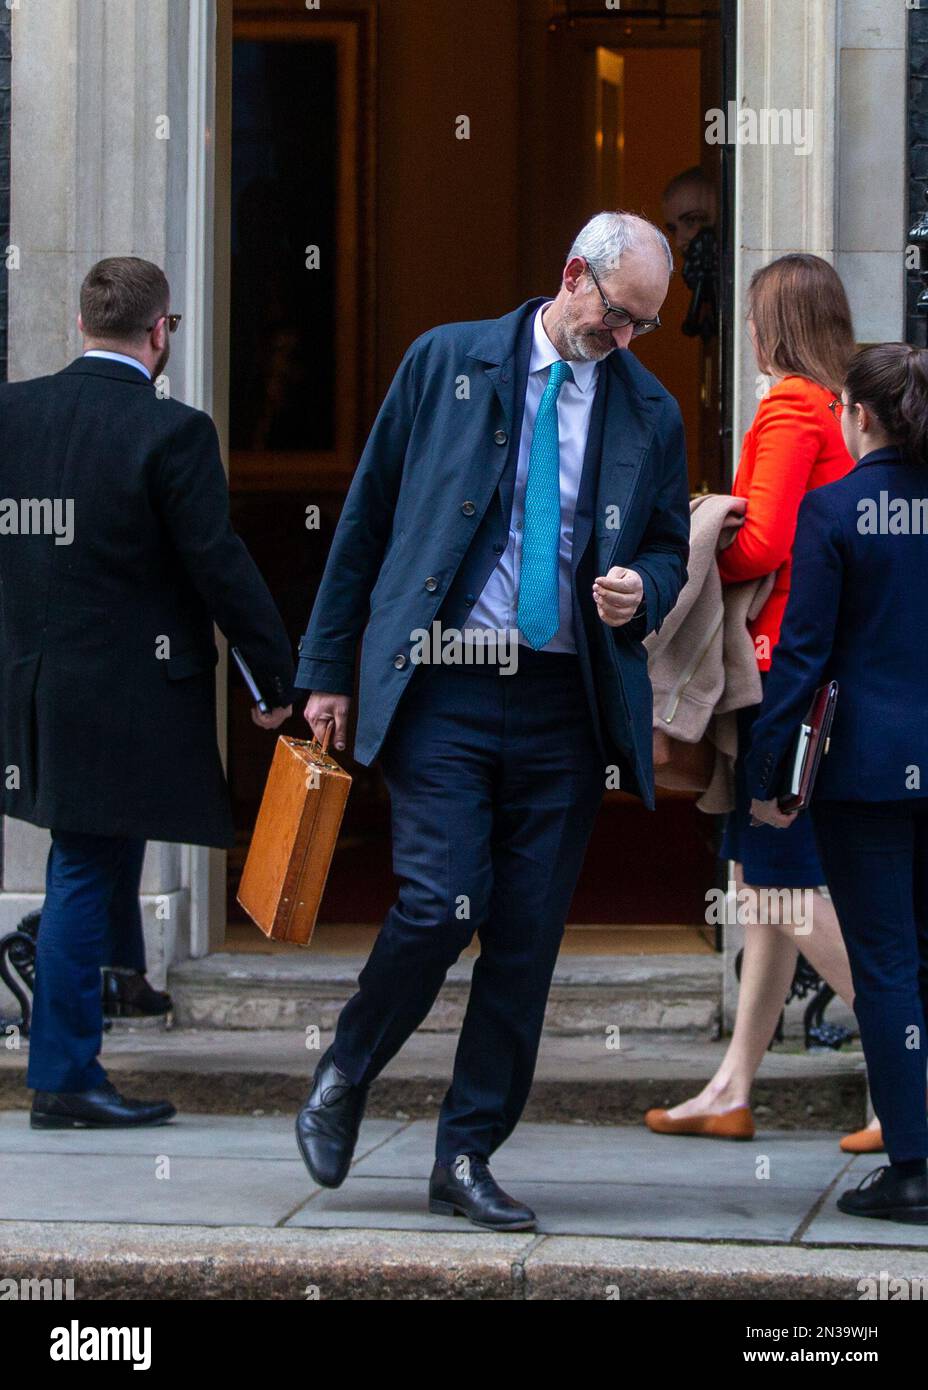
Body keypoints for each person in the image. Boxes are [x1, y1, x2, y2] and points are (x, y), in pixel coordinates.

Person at [294, 211, 690, 1231]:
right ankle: (346, 1067)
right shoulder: (447, 360)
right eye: (618, 318)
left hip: (566, 700)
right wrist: (326, 670)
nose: (628, 340)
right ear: (571, 276)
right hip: (445, 684)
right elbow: (368, 515)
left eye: (645, 325)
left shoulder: (647, 409)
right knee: (441, 901)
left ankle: (464, 1153)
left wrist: (637, 587)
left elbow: (666, 546)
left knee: (523, 941)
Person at [0, 257, 294, 1128]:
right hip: (124, 694)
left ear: (79, 324)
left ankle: (97, 997)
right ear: (161, 331)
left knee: (94, 856)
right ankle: (62, 1078)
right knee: (88, 867)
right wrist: (273, 676)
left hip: (33, 686)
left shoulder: (13, 411)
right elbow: (217, 565)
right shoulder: (173, 431)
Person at [646, 254, 873, 1144]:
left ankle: (911, 1059)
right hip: (830, 673)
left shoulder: (787, 406)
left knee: (777, 880)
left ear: (767, 324)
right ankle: (733, 1085)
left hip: (778, 673)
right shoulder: (843, 409)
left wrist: (703, 523)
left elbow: (759, 545)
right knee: (764, 881)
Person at [748, 343, 928, 1224]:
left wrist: (769, 773)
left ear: (858, 417)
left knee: (888, 965)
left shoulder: (833, 510)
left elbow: (803, 658)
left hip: (864, 775)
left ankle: (914, 1165)